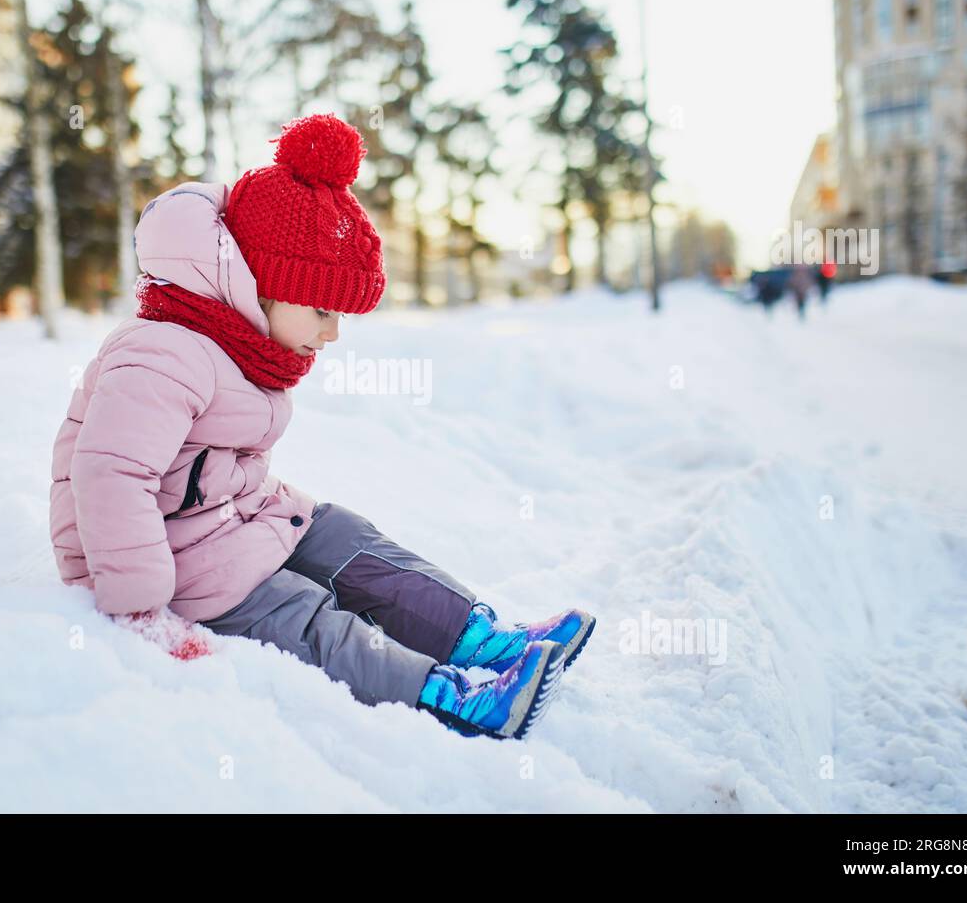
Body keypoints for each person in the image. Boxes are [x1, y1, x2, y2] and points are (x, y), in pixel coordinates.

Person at [49, 114, 595, 740]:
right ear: (261, 289)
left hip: (233, 520)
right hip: (164, 558)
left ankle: (485, 643)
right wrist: (143, 609)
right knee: (304, 615)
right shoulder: (164, 353)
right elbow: (110, 478)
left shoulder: (236, 340)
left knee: (348, 542)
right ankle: (448, 697)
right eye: (322, 310)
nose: (332, 332)